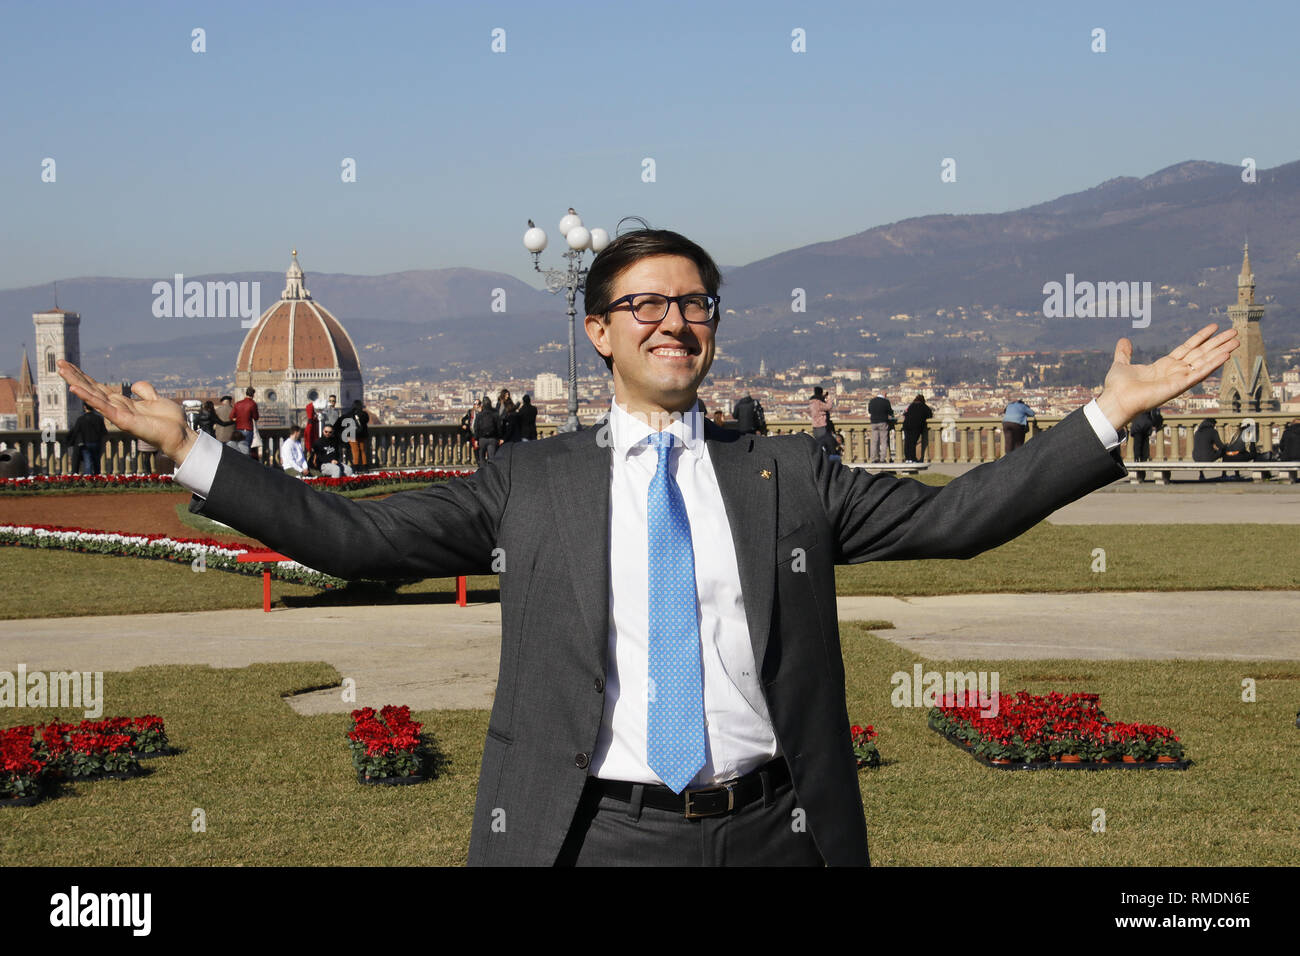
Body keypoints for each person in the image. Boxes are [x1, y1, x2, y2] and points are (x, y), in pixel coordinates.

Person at [58, 224, 1239, 867]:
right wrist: (195, 450)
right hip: (598, 832)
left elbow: (957, 519)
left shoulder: (789, 474)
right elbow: (355, 540)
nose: (678, 319)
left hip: (779, 828)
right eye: (648, 304)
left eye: (698, 302)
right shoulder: (530, 480)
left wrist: (1103, 419)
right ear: (598, 330)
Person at [67, 406, 107, 475]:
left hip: (86, 444)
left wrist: (70, 442)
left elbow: (75, 431)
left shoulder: (81, 419)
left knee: (88, 462)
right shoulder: (99, 418)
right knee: (97, 462)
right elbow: (104, 432)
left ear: (84, 407)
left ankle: (89, 478)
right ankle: (97, 477)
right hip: (96, 443)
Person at [901, 394, 933, 463]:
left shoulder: (911, 406)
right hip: (916, 426)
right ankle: (913, 458)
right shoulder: (924, 407)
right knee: (913, 442)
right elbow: (930, 415)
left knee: (907, 442)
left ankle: (907, 458)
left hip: (906, 425)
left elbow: (905, 414)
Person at [233, 388, 259, 462]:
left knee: (238, 448)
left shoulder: (238, 403)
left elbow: (231, 416)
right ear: (253, 395)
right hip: (248, 428)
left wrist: (237, 419)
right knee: (246, 448)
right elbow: (256, 417)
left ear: (246, 393)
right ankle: (245, 463)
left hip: (238, 429)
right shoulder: (253, 404)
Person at [867, 392, 894, 464]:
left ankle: (873, 458)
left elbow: (869, 411)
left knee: (874, 442)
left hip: (873, 422)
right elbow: (890, 412)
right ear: (884, 395)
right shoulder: (886, 401)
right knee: (884, 441)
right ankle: (882, 459)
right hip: (883, 422)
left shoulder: (872, 401)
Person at [473, 394, 499, 464]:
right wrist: (499, 437)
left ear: (482, 405)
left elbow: (476, 428)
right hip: (493, 438)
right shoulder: (495, 414)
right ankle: (491, 473)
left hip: (482, 439)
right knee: (492, 458)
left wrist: (476, 439)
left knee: (482, 458)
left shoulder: (479, 415)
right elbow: (498, 426)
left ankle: (483, 472)